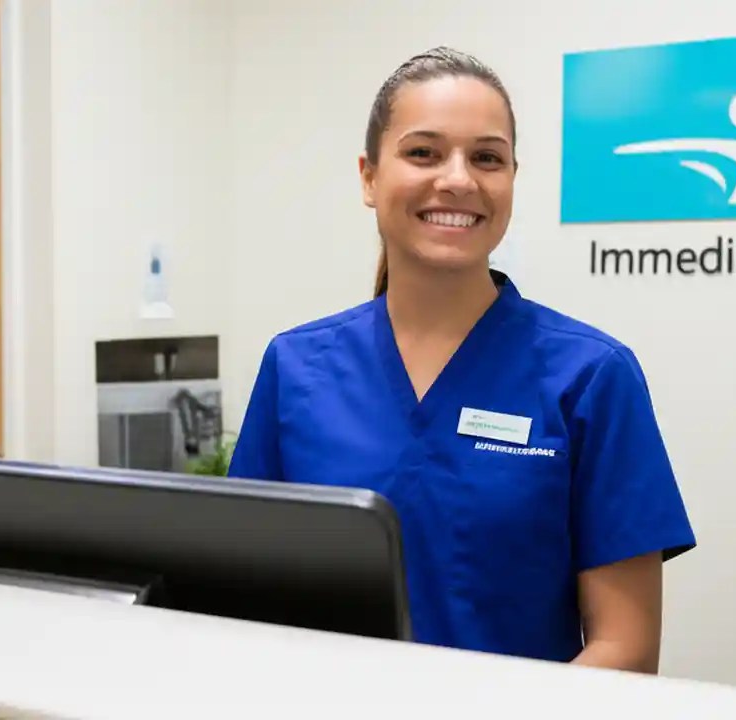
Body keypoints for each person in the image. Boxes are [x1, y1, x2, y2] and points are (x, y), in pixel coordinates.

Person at [227, 47, 695, 672]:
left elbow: (625, 647)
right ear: (369, 177)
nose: (458, 179)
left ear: (510, 179)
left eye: (486, 158)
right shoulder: (295, 368)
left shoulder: (591, 377)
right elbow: (238, 604)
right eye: (423, 152)